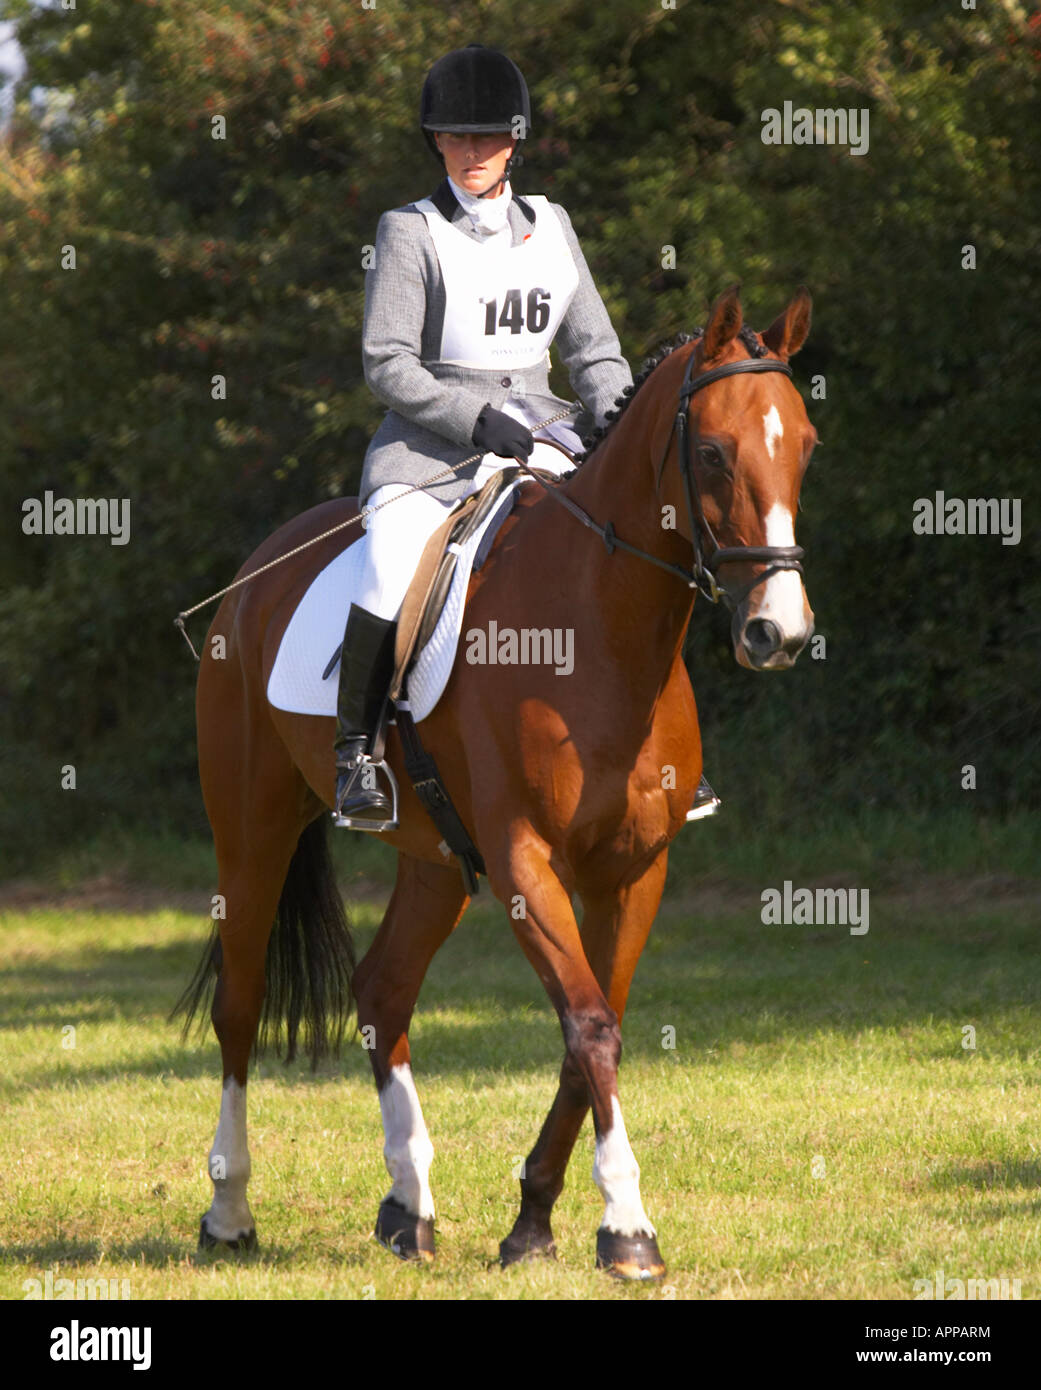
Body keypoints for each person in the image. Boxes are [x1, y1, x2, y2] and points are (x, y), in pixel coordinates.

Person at [333, 43, 720, 829]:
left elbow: (594, 353)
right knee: (387, 561)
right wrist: (474, 419)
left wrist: (615, 433)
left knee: (637, 548)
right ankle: (356, 754)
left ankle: (664, 747)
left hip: (548, 436)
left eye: (485, 138)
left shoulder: (551, 225)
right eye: (454, 138)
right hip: (433, 452)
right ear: (434, 141)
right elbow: (386, 363)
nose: (470, 153)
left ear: (514, 141)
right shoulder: (407, 232)